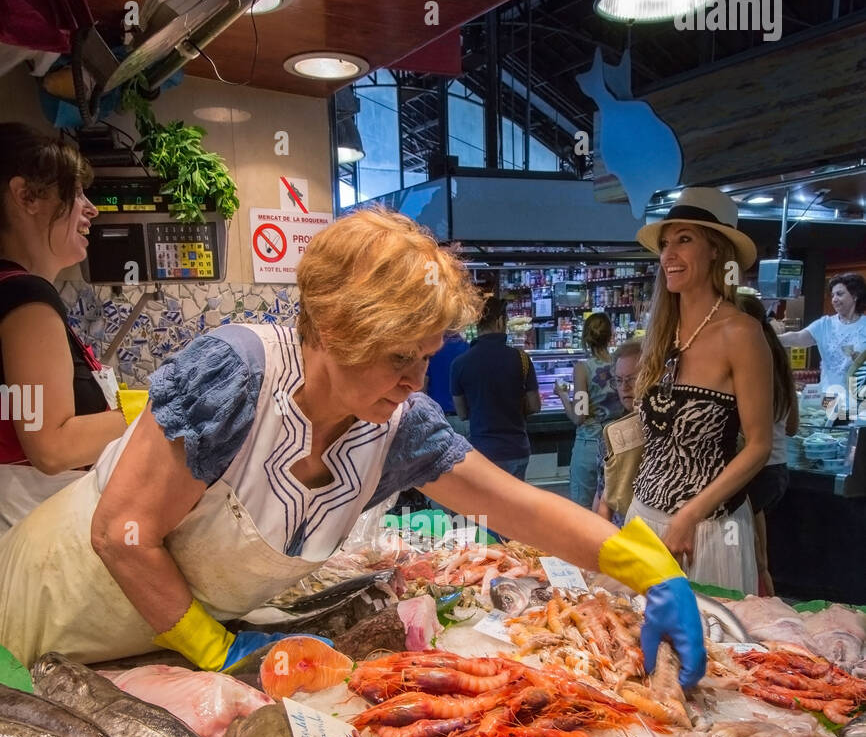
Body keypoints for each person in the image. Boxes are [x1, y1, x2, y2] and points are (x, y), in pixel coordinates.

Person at [0, 206, 706, 688]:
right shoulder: (235, 375)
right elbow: (122, 535)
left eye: (427, 355)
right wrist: (216, 649)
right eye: (399, 354)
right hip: (55, 603)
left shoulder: (398, 425)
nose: (416, 379)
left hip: (160, 640)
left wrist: (649, 568)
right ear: (334, 328)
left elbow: (516, 506)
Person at [628, 187, 774, 595]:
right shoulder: (660, 334)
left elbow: (759, 445)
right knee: (630, 648)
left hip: (710, 530)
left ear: (716, 250)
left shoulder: (741, 333)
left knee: (713, 652)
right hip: (643, 520)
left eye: (685, 239)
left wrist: (689, 515)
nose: (669, 254)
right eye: (665, 243)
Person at [0, 123, 128, 533]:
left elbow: (20, 413)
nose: (91, 209)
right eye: (75, 194)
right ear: (26, 197)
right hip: (31, 533)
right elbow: (51, 447)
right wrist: (163, 410)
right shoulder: (24, 297)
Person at [736, 287, 798, 595]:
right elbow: (793, 427)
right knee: (761, 557)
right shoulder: (781, 363)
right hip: (779, 470)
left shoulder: (749, 365)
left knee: (755, 560)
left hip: (754, 473)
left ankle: (763, 614)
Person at [450, 297, 541, 479]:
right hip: (516, 448)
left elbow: (461, 413)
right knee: (514, 504)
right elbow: (535, 405)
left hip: (482, 451)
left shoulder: (459, 364)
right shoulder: (521, 359)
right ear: (500, 321)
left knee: (485, 506)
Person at [555, 311, 622, 507]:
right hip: (617, 444)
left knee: (581, 510)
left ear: (585, 337)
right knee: (614, 510)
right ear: (611, 336)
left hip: (589, 446)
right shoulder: (620, 365)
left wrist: (563, 396)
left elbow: (579, 416)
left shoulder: (583, 369)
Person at [779, 272, 866, 408]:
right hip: (829, 398)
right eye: (832, 295)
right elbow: (797, 337)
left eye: (840, 294)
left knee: (854, 429)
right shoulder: (824, 324)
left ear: (855, 296)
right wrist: (769, 338)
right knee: (826, 426)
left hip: (860, 401)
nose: (834, 299)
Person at [592, 339, 643, 526]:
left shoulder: (665, 431)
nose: (624, 387)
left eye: (631, 379)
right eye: (619, 380)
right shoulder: (612, 433)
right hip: (620, 533)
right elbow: (602, 493)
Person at [424, 327, 470, 435]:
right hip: (465, 419)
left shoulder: (432, 352)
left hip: (438, 418)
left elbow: (423, 388)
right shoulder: (469, 349)